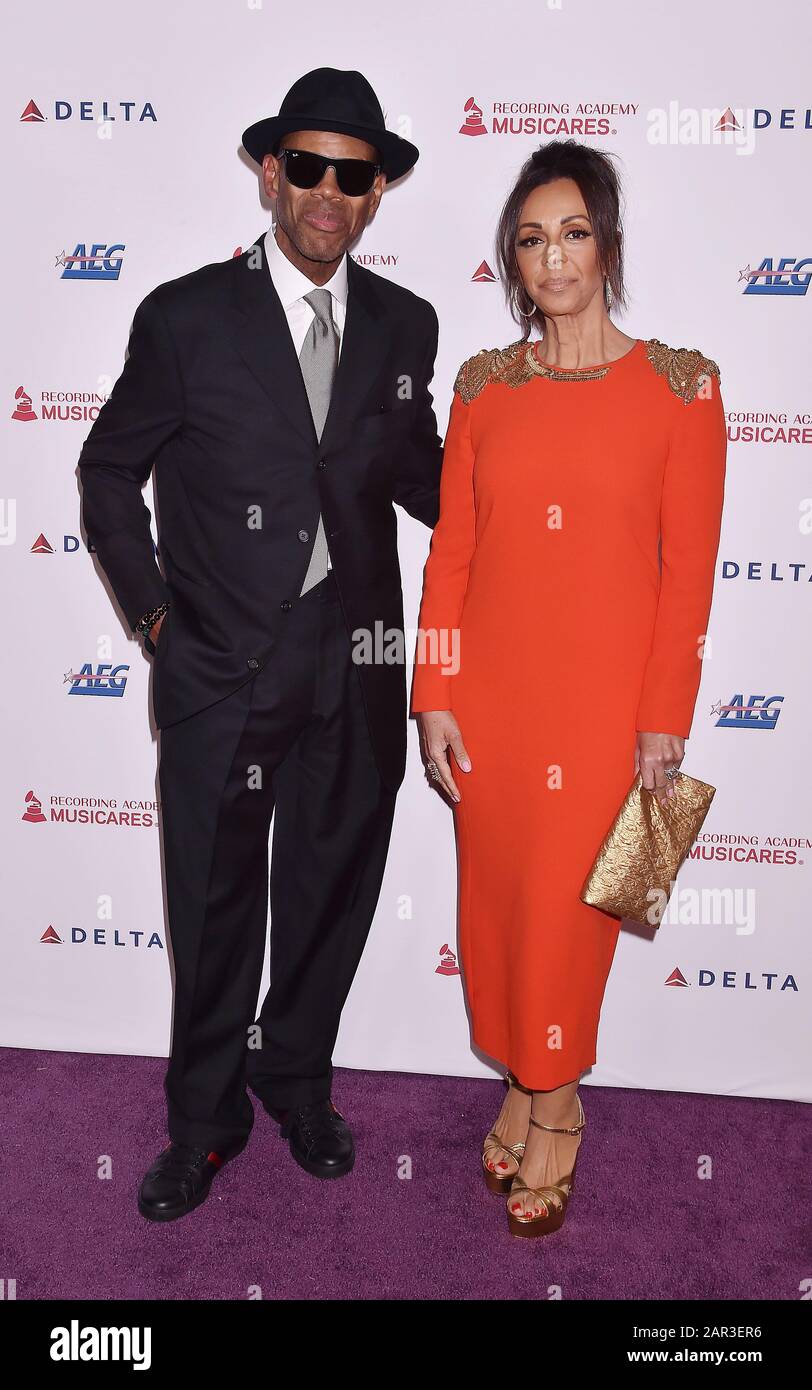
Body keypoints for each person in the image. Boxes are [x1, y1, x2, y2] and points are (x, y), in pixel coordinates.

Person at [78, 67, 443, 1221]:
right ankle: (203, 1122)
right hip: (221, 670)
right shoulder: (186, 316)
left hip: (357, 666)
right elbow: (105, 476)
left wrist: (554, 403)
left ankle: (296, 1080)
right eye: (308, 167)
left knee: (331, 892)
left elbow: (436, 486)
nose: (328, 192)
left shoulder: (404, 324)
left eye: (354, 173)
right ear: (270, 173)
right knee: (214, 904)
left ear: (375, 193)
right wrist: (154, 622)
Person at [411, 139, 727, 1238]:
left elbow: (686, 578)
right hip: (491, 704)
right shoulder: (483, 387)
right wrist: (434, 693)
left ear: (608, 244)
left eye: (573, 233)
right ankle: (519, 1081)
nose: (553, 257)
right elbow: (449, 553)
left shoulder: (680, 389)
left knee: (564, 918)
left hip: (600, 718)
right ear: (513, 257)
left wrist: (659, 728)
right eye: (531, 238)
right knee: (497, 915)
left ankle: (558, 1108)